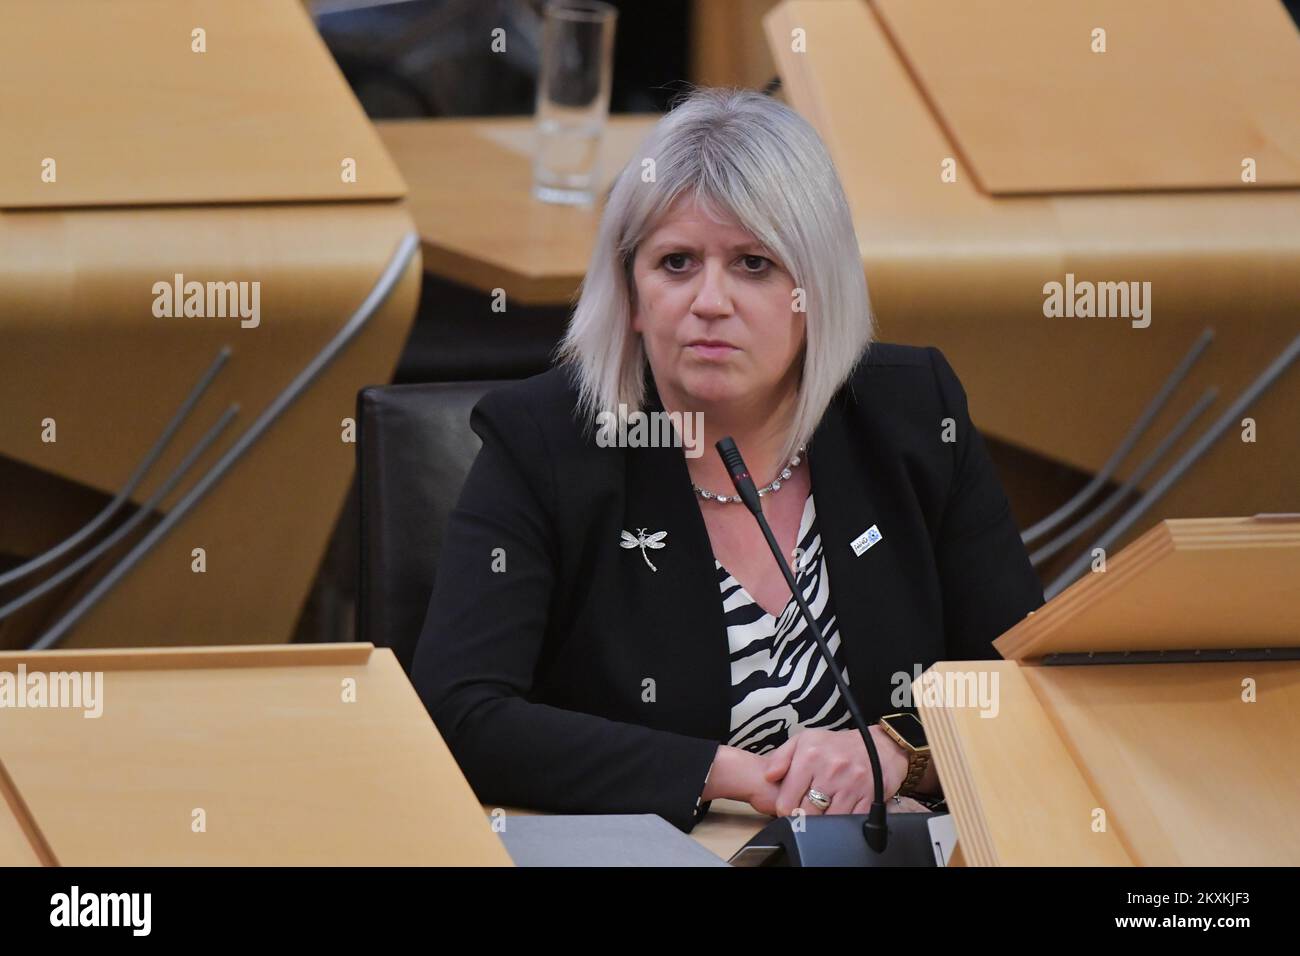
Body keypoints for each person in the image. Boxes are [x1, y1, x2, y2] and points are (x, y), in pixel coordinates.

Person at [411, 86, 1043, 832]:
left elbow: (1019, 679)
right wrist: (728, 774)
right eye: (676, 263)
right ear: (633, 295)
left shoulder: (911, 414)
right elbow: (461, 716)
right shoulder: (547, 441)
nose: (710, 301)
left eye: (753, 264)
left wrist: (899, 749)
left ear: (817, 289)